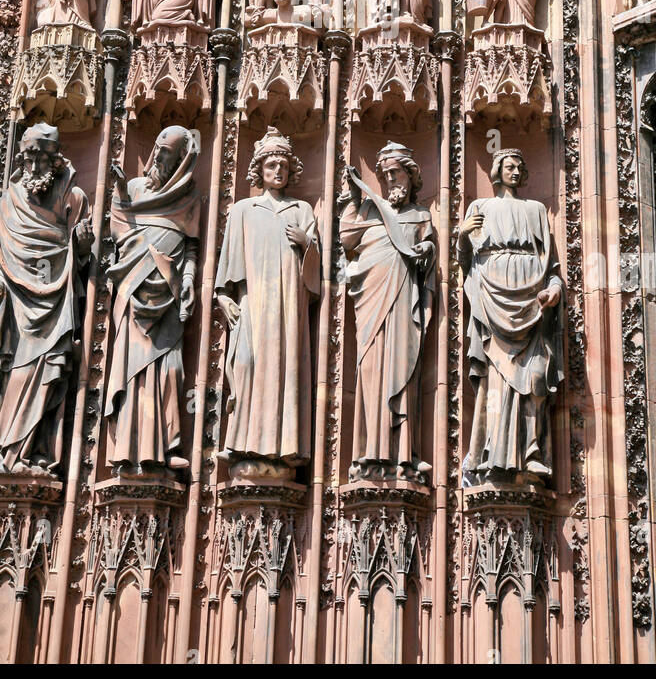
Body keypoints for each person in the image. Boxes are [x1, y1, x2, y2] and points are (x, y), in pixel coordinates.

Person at [0, 125, 92, 475]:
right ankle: (3, 448)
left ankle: (34, 450)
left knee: (49, 371)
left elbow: (82, 254)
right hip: (18, 305)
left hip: (56, 303)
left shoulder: (73, 197)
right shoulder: (9, 200)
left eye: (42, 158)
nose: (34, 165)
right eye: (29, 157)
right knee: (15, 374)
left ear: (55, 159)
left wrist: (81, 245)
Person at [215, 128, 320, 475]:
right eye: (271, 165)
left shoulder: (302, 210)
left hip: (289, 309)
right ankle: (242, 443)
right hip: (252, 305)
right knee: (247, 365)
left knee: (285, 369)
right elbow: (228, 266)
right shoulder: (243, 210)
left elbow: (316, 277)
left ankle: (283, 448)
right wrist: (223, 298)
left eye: (284, 166)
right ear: (259, 169)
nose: (278, 171)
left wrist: (307, 243)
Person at [458, 149, 563, 478]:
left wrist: (555, 291)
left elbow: (554, 268)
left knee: (535, 376)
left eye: (520, 166)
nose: (515, 171)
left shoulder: (535, 210)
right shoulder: (481, 208)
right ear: (496, 171)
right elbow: (465, 262)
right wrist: (462, 235)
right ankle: (490, 453)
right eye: (509, 166)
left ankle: (531, 450)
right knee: (496, 381)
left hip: (532, 301)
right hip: (491, 297)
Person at [105, 127, 201, 473]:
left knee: (170, 370)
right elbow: (119, 229)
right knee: (132, 371)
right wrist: (118, 193)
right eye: (157, 150)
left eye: (167, 154)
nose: (158, 158)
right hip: (134, 291)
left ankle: (165, 444)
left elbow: (191, 245)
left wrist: (188, 278)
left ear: (180, 161)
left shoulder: (188, 198)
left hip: (170, 291)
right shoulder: (133, 189)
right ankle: (128, 448)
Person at [340, 144, 435, 480]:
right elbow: (347, 239)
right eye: (385, 175)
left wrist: (427, 249)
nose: (391, 179)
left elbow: (427, 256)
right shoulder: (368, 210)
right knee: (369, 371)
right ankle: (368, 451)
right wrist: (354, 197)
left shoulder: (421, 216)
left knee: (403, 371)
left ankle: (403, 453)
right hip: (370, 302)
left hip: (402, 303)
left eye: (397, 173)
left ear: (411, 176)